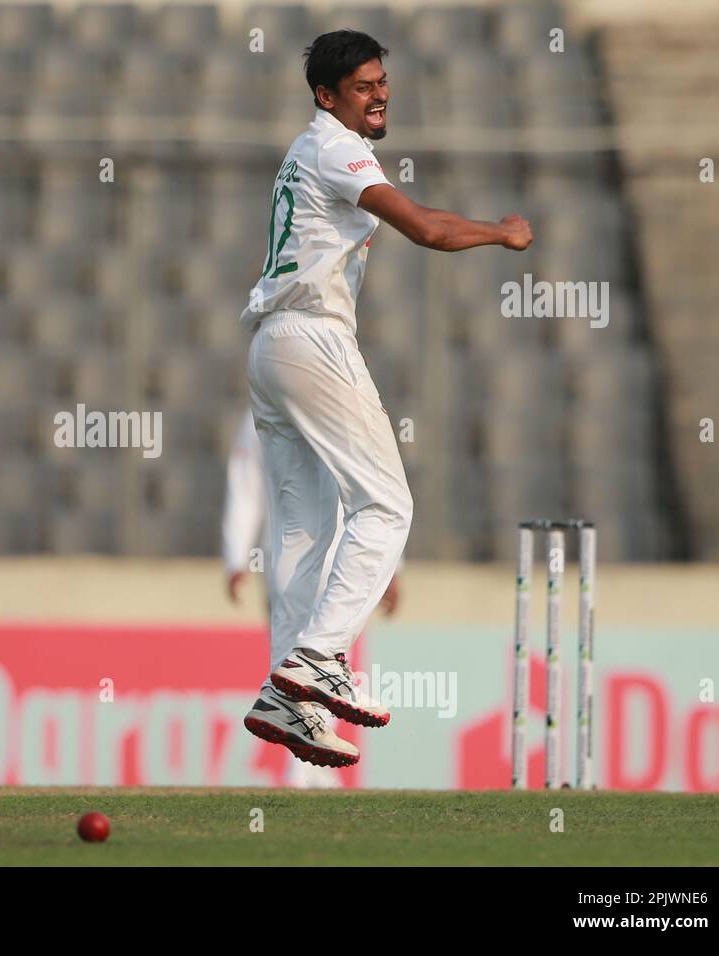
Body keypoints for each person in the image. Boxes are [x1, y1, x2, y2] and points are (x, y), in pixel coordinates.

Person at [240, 31, 532, 768]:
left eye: (382, 81)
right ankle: (318, 658)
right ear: (327, 96)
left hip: (273, 344)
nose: (380, 94)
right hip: (311, 338)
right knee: (387, 506)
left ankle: (286, 695)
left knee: (304, 526)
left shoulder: (307, 147)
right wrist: (501, 233)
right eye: (363, 85)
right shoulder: (336, 146)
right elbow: (428, 230)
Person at [224, 409, 399, 786]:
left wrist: (393, 569)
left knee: (316, 659)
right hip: (308, 556)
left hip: (325, 553)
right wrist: (236, 553)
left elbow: (375, 490)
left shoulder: (332, 401)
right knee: (310, 657)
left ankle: (305, 760)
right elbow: (246, 483)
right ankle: (299, 764)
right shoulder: (271, 411)